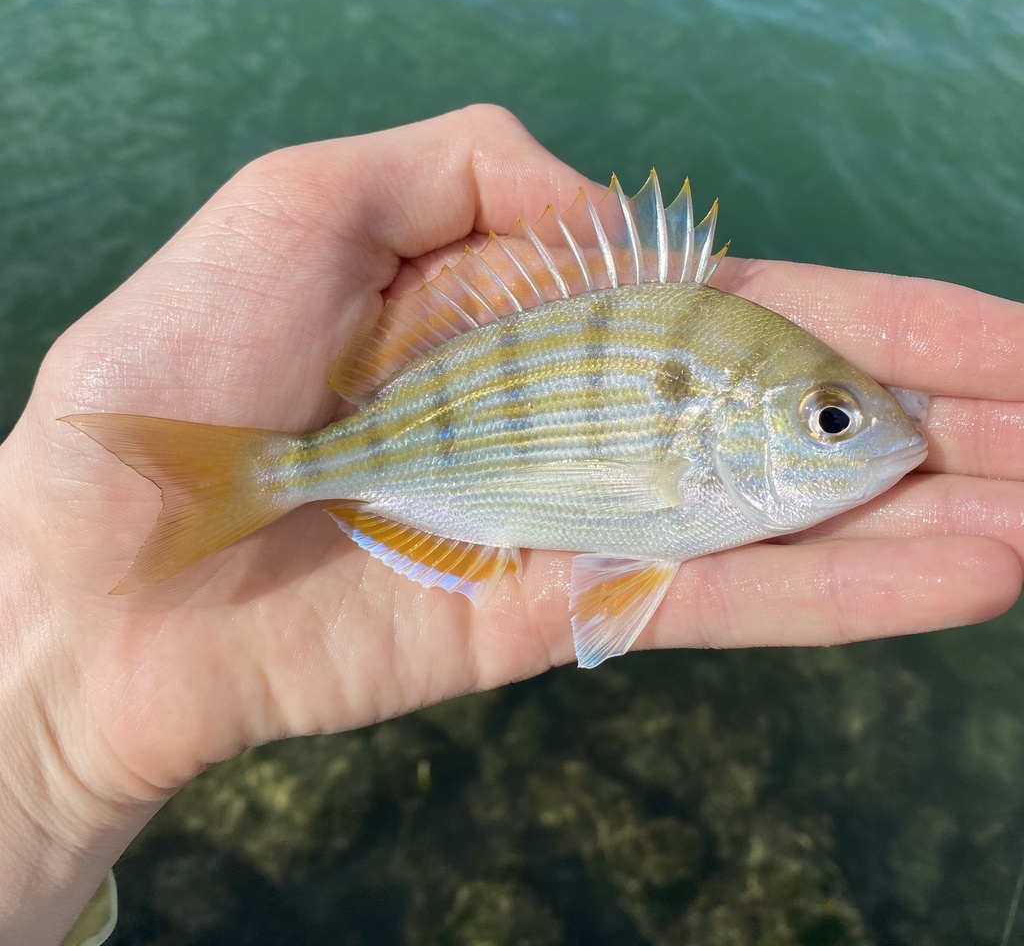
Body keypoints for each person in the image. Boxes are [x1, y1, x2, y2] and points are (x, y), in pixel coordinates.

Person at [0, 105, 1021, 945]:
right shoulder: (691, 421)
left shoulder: (721, 412)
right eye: (830, 421)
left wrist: (52, 748)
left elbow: (623, 569)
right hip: (412, 458)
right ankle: (264, 480)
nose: (871, 440)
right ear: (739, 426)